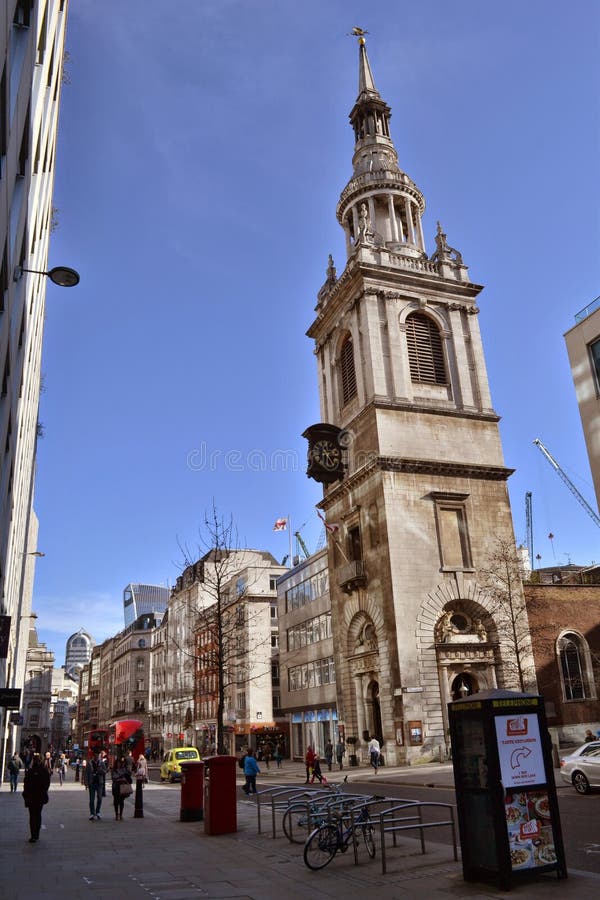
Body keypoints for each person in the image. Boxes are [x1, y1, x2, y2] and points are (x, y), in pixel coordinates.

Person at [22, 753, 50, 843]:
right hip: (40, 797)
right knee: (38, 814)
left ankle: (33, 835)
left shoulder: (30, 771)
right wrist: (43, 791)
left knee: (32, 815)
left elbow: (25, 784)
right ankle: (36, 834)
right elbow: (47, 784)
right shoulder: (44, 771)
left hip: (31, 797)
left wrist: (26, 794)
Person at [84, 750, 107, 820]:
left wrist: (100, 770)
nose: (96, 757)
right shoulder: (89, 763)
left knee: (99, 798)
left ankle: (98, 812)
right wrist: (86, 783)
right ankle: (92, 813)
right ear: (93, 756)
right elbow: (86, 773)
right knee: (91, 800)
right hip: (92, 783)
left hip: (99, 783)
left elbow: (105, 772)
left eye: (97, 755)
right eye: (95, 755)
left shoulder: (102, 763)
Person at [111, 755, 133, 820]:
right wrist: (120, 779)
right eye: (118, 763)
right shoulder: (114, 770)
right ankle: (116, 814)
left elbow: (128, 777)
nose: (119, 764)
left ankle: (121, 814)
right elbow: (113, 778)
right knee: (115, 801)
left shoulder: (124, 769)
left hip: (122, 787)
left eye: (120, 763)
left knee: (121, 801)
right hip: (116, 787)